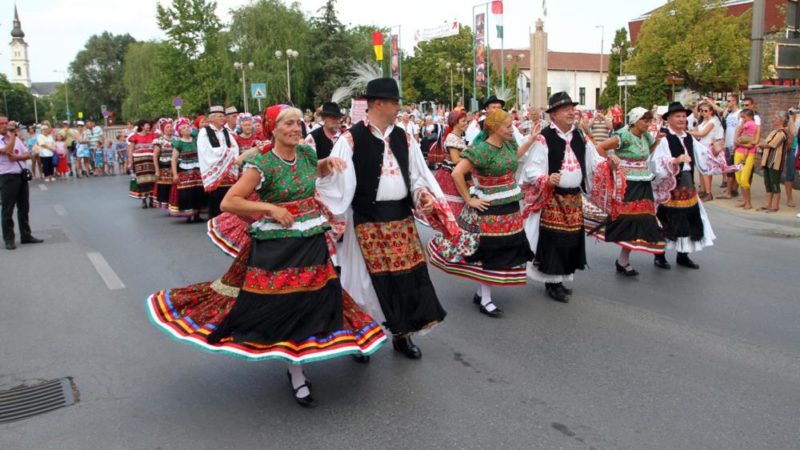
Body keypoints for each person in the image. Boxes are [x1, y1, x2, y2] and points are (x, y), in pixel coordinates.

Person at [146, 104, 387, 407]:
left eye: (298, 123)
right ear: (272, 128)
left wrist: (329, 163)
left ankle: (321, 351)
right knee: (285, 307)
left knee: (317, 299)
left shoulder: (307, 153)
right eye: (288, 123)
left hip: (311, 240)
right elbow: (230, 202)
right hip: (277, 248)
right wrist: (270, 208)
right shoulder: (262, 163)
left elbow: (314, 170)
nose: (296, 128)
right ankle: (296, 371)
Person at [317, 78, 447, 360]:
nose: (399, 107)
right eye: (395, 102)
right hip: (365, 220)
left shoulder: (405, 137)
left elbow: (415, 175)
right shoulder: (350, 139)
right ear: (378, 104)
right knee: (363, 284)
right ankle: (361, 338)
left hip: (400, 219)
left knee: (406, 280)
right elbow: (337, 184)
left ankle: (402, 335)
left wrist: (422, 194)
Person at [428, 108, 536, 317]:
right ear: (494, 128)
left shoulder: (508, 144)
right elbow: (458, 172)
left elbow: (512, 158)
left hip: (510, 205)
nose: (511, 128)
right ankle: (485, 299)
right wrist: (469, 199)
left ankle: (481, 293)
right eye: (507, 125)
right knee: (490, 252)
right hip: (490, 209)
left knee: (503, 248)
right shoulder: (480, 150)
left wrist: (530, 140)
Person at [517, 92, 604, 303]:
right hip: (553, 197)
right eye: (566, 109)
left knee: (570, 239)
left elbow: (594, 161)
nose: (571, 112)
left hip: (574, 197)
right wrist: (547, 178)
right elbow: (531, 170)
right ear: (553, 114)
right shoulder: (544, 138)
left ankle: (561, 278)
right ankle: (552, 283)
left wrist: (608, 163)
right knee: (554, 239)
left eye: (572, 108)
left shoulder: (580, 136)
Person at [590, 107, 666, 275]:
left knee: (642, 219)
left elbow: (645, 151)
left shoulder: (646, 136)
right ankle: (621, 257)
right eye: (644, 120)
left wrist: (657, 143)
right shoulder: (622, 136)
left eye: (649, 120)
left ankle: (623, 260)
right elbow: (600, 147)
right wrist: (610, 161)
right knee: (626, 219)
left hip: (644, 181)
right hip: (626, 183)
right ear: (634, 120)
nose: (648, 124)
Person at [650, 102, 716, 270]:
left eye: (683, 116)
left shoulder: (688, 137)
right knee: (665, 218)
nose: (681, 119)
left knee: (688, 217)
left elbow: (702, 155)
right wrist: (675, 160)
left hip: (687, 182)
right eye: (677, 116)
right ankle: (660, 256)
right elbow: (656, 162)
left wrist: (714, 152)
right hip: (669, 184)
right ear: (669, 119)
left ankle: (683, 254)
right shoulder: (663, 137)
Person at [0, 117, 43, 250]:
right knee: (8, 209)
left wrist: (16, 157)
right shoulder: (8, 139)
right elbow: (7, 150)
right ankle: (9, 239)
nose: (5, 125)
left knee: (24, 208)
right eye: (1, 124)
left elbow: (27, 154)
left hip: (21, 175)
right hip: (7, 177)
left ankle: (26, 235)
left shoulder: (17, 139)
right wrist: (12, 135)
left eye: (6, 123)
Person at [198, 106, 240, 219]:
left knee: (228, 194)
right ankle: (215, 220)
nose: (223, 118)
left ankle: (228, 219)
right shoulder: (204, 132)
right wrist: (225, 153)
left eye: (223, 116)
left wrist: (229, 154)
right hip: (215, 170)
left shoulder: (226, 131)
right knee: (216, 197)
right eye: (220, 116)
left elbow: (234, 147)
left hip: (228, 171)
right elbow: (205, 151)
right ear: (212, 119)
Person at [432, 110, 470, 217]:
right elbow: (455, 160)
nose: (466, 123)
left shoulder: (457, 137)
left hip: (456, 173)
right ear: (455, 123)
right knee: (454, 206)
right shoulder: (452, 138)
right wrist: (472, 161)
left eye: (466, 121)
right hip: (451, 175)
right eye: (463, 121)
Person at [169, 118, 207, 222]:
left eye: (188, 127)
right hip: (185, 172)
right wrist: (175, 174)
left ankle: (197, 214)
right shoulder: (178, 143)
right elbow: (174, 159)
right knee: (187, 193)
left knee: (198, 192)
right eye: (184, 128)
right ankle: (188, 215)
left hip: (198, 171)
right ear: (180, 131)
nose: (187, 129)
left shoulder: (196, 140)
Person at [689, 102, 724, 201]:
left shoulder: (713, 121)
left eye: (705, 111)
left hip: (708, 147)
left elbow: (702, 133)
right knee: (701, 170)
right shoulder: (703, 121)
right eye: (701, 110)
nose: (702, 112)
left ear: (711, 111)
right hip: (701, 147)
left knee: (706, 171)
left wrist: (688, 132)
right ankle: (704, 191)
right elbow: (696, 131)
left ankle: (708, 193)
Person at [758, 112, 791, 213]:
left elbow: (771, 144)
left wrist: (761, 144)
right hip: (767, 160)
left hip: (775, 162)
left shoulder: (782, 133)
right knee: (768, 183)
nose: (773, 120)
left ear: (781, 120)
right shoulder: (773, 132)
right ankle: (768, 204)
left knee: (775, 183)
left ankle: (775, 206)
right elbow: (766, 143)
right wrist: (762, 143)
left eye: (775, 118)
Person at [127, 120, 159, 207]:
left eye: (149, 125)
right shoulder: (134, 137)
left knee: (152, 180)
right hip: (139, 161)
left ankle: (152, 199)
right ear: (142, 126)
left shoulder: (153, 135)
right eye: (147, 125)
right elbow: (131, 150)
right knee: (141, 180)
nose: (149, 126)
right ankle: (144, 199)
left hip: (150, 161)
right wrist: (130, 162)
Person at [733, 109, 759, 210]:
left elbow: (754, 142)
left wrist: (741, 143)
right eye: (742, 117)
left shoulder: (756, 126)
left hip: (749, 154)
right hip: (738, 152)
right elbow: (735, 140)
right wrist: (741, 143)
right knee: (739, 178)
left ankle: (749, 202)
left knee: (744, 179)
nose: (743, 119)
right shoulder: (741, 127)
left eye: (744, 117)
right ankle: (745, 201)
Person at [719, 94, 741, 199]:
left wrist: (736, 142)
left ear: (734, 101)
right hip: (728, 143)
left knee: (732, 168)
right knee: (729, 167)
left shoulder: (740, 114)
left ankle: (730, 191)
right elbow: (724, 127)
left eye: (729, 101)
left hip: (734, 144)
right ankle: (730, 189)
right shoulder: (729, 114)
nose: (727, 103)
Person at [153, 119, 176, 210]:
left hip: (175, 167)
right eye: (167, 127)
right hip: (164, 166)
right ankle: (166, 205)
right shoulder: (159, 141)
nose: (170, 128)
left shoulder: (176, 139)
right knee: (165, 188)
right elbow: (155, 156)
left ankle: (174, 205)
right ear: (163, 129)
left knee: (174, 188)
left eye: (171, 126)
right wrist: (157, 170)